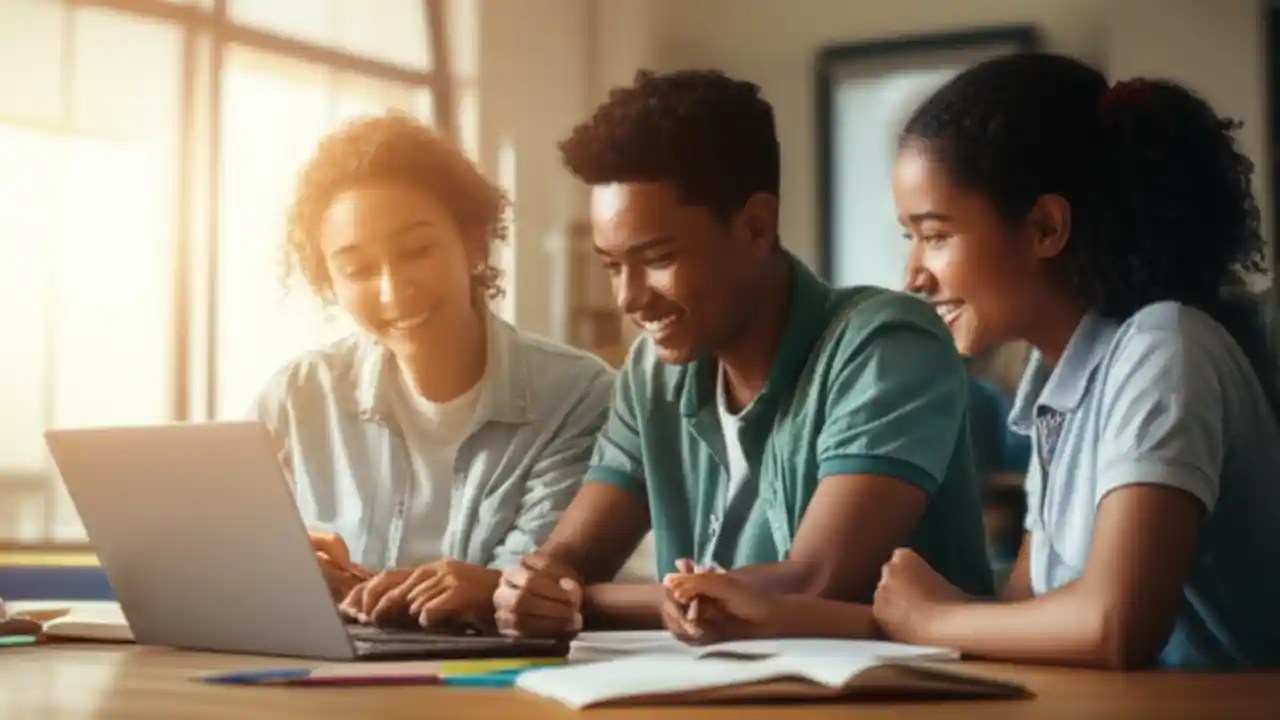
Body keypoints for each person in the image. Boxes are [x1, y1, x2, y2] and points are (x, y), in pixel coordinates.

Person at [672, 52, 1280, 669]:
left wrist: (932, 616)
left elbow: (1115, 625)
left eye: (935, 235)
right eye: (910, 237)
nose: (912, 276)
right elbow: (1020, 618)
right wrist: (776, 616)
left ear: (1045, 227)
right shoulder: (1061, 383)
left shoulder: (1165, 349)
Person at [492, 69, 993, 642]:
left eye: (656, 257)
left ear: (756, 225)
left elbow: (813, 583)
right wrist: (528, 590)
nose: (628, 297)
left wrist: (591, 601)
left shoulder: (888, 345)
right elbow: (562, 569)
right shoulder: (652, 375)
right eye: (612, 265)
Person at [256, 114, 614, 631]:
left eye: (417, 251)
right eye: (357, 270)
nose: (392, 291)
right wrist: (283, 570)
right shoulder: (296, 395)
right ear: (328, 280)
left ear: (472, 243)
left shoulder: (578, 396)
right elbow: (223, 553)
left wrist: (481, 589)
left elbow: (528, 588)